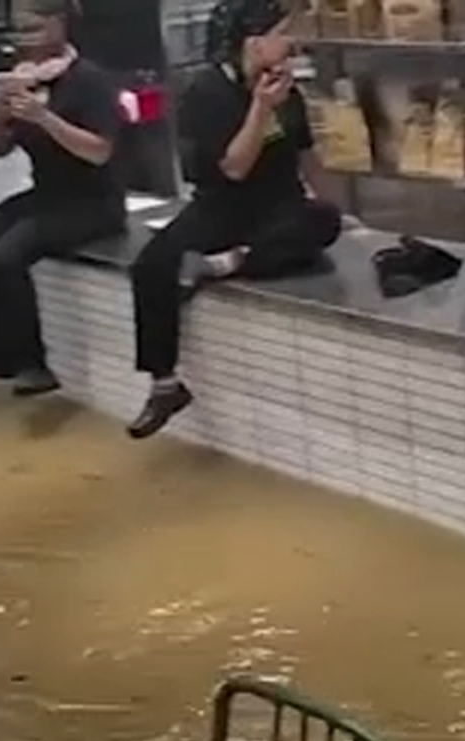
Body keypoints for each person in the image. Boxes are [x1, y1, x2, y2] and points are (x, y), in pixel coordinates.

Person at [123, 0, 342, 440]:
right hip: (222, 206)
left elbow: (304, 154)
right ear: (255, 42)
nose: (291, 43)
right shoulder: (207, 94)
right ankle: (164, 383)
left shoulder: (288, 91)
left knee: (324, 222)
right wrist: (261, 109)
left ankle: (227, 263)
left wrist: (334, 203)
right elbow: (235, 168)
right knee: (150, 266)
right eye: (283, 34)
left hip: (279, 207)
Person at [0, 0, 126, 397]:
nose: (25, 40)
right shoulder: (25, 80)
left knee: (7, 255)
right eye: (19, 32)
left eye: (34, 29)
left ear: (59, 24)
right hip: (47, 193)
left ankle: (33, 363)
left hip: (94, 201)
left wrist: (44, 118)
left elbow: (99, 151)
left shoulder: (90, 81)